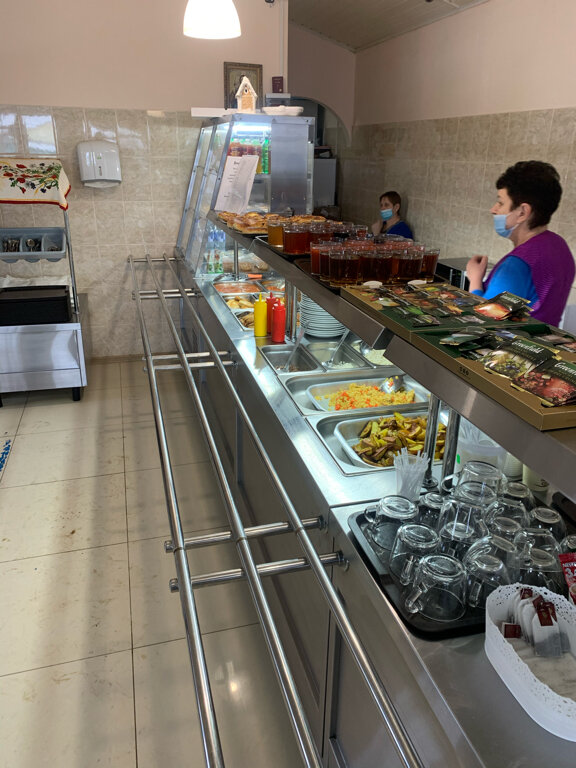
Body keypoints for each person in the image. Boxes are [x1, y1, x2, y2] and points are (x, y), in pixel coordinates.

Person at [466, 161, 574, 326]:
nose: (493, 209)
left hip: (514, 340)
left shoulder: (516, 265)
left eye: (501, 203)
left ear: (523, 212)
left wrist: (474, 280)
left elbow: (484, 322)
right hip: (544, 339)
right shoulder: (559, 246)